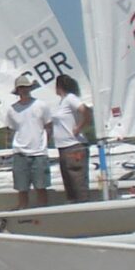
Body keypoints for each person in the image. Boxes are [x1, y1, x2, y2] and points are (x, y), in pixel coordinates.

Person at [3, 73, 51, 210]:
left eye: (26, 87)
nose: (24, 90)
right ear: (17, 91)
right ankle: (23, 209)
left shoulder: (41, 105)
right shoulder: (12, 109)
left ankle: (43, 210)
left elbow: (49, 126)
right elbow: (11, 129)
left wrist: (44, 143)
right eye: (21, 88)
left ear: (30, 88)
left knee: (41, 186)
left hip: (39, 152)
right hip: (20, 152)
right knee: (21, 187)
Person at [49, 74, 93, 203]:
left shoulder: (70, 98)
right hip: (63, 148)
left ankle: (83, 207)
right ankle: (74, 205)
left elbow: (86, 110)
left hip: (74, 146)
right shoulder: (62, 102)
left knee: (78, 182)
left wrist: (79, 127)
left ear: (59, 87)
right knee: (69, 184)